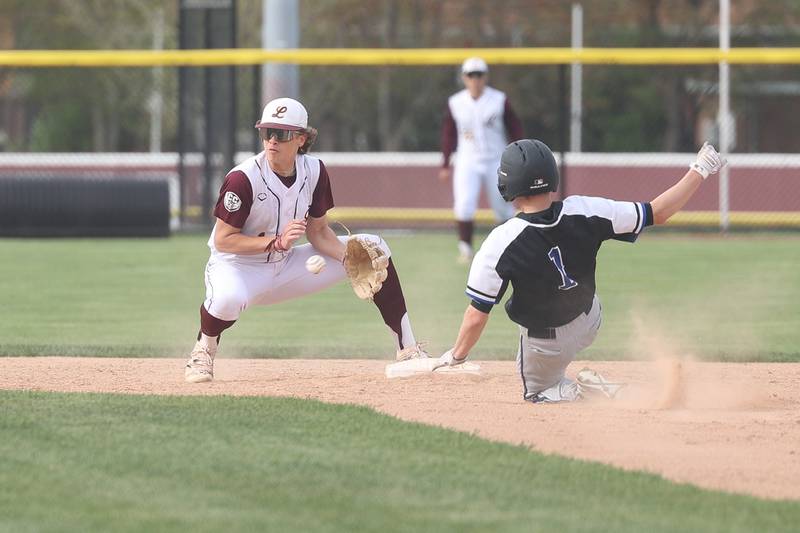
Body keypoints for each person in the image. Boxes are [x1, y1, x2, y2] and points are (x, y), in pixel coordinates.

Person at [435, 139, 726, 403]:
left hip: (545, 345)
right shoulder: (585, 209)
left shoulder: (500, 241)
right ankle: (577, 379)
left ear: (506, 186)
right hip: (590, 320)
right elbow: (658, 211)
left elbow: (476, 315)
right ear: (552, 177)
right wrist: (700, 168)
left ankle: (585, 390)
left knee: (538, 392)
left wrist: (456, 356)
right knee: (577, 308)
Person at [184, 97, 428, 383]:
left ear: (300, 138)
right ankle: (204, 349)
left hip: (286, 266)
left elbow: (319, 232)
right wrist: (276, 242)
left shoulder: (314, 171)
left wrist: (346, 259)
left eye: (281, 134)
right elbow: (224, 240)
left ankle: (408, 349)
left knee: (376, 248)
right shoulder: (243, 178)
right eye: (266, 132)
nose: (272, 140)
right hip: (238, 268)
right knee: (227, 299)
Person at [439, 56, 524, 263]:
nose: (475, 79)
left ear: (485, 77)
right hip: (467, 160)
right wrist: (445, 163)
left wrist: (522, 154)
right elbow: (448, 133)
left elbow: (515, 128)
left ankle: (508, 247)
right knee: (464, 204)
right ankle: (465, 248)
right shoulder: (456, 102)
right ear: (464, 78)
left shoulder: (498, 99)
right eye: (470, 75)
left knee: (503, 206)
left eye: (479, 75)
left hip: (496, 159)